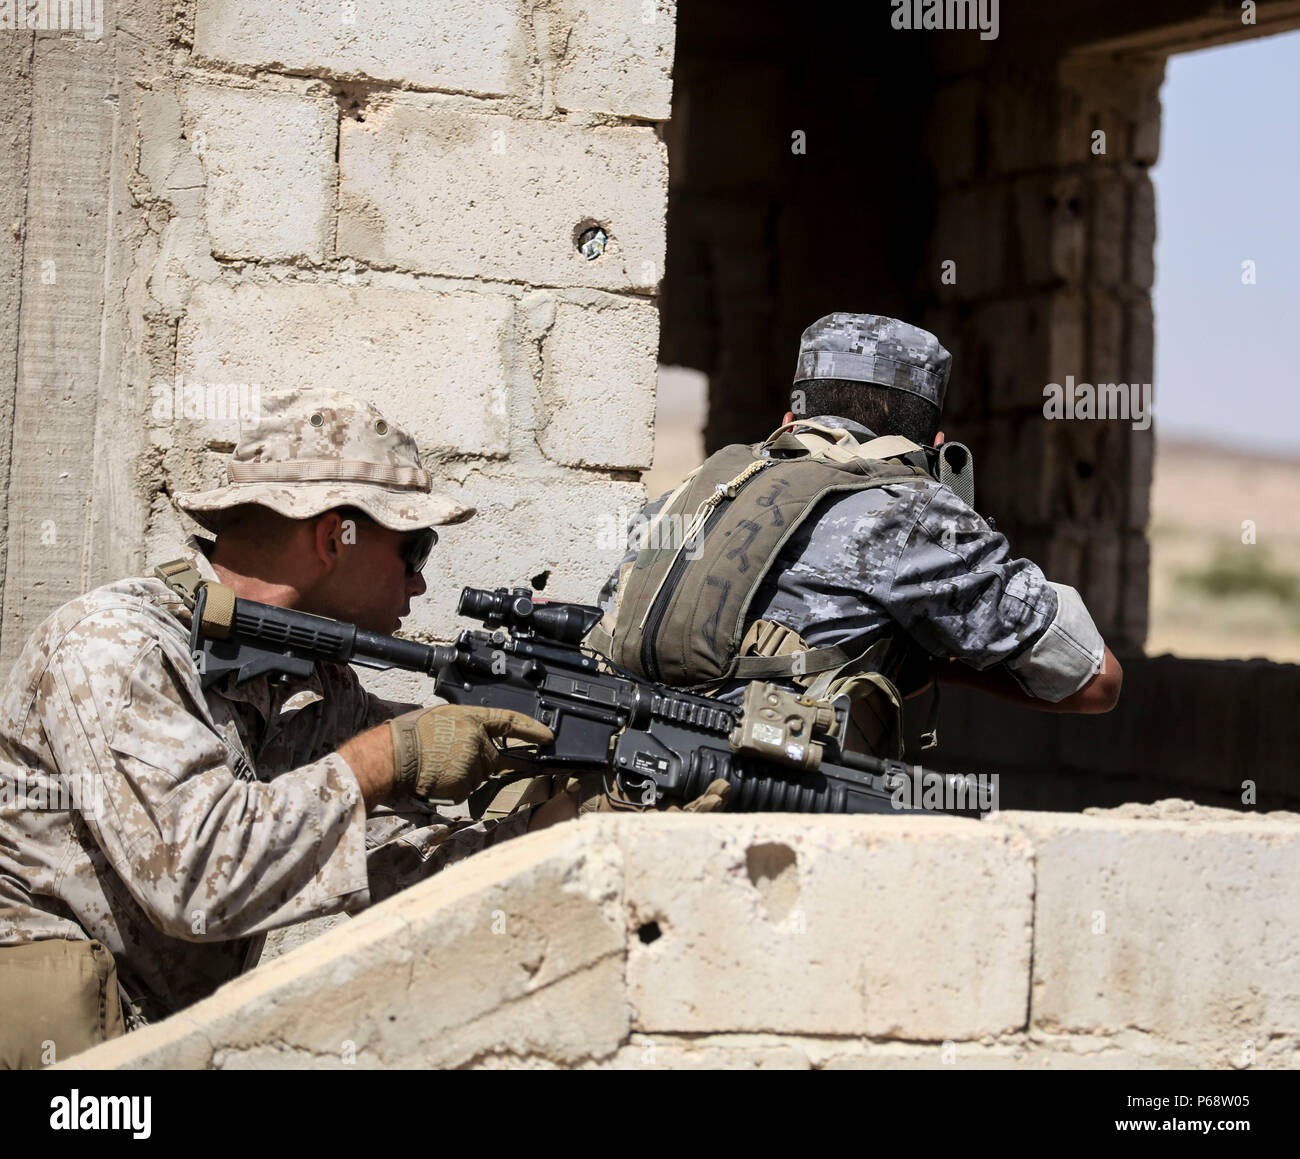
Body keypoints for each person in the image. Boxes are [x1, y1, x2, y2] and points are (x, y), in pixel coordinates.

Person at [0, 388, 578, 1068]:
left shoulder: (312, 684)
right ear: (336, 536)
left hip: (151, 1048)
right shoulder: (116, 649)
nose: (418, 586)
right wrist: (387, 756)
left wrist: (567, 825)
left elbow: (395, 859)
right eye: (414, 549)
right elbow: (195, 880)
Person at [592, 313, 1122, 763]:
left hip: (628, 768)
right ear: (935, 446)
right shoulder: (912, 512)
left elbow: (612, 624)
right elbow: (1095, 680)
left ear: (789, 421)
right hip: (762, 800)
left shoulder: (691, 493)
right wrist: (942, 665)